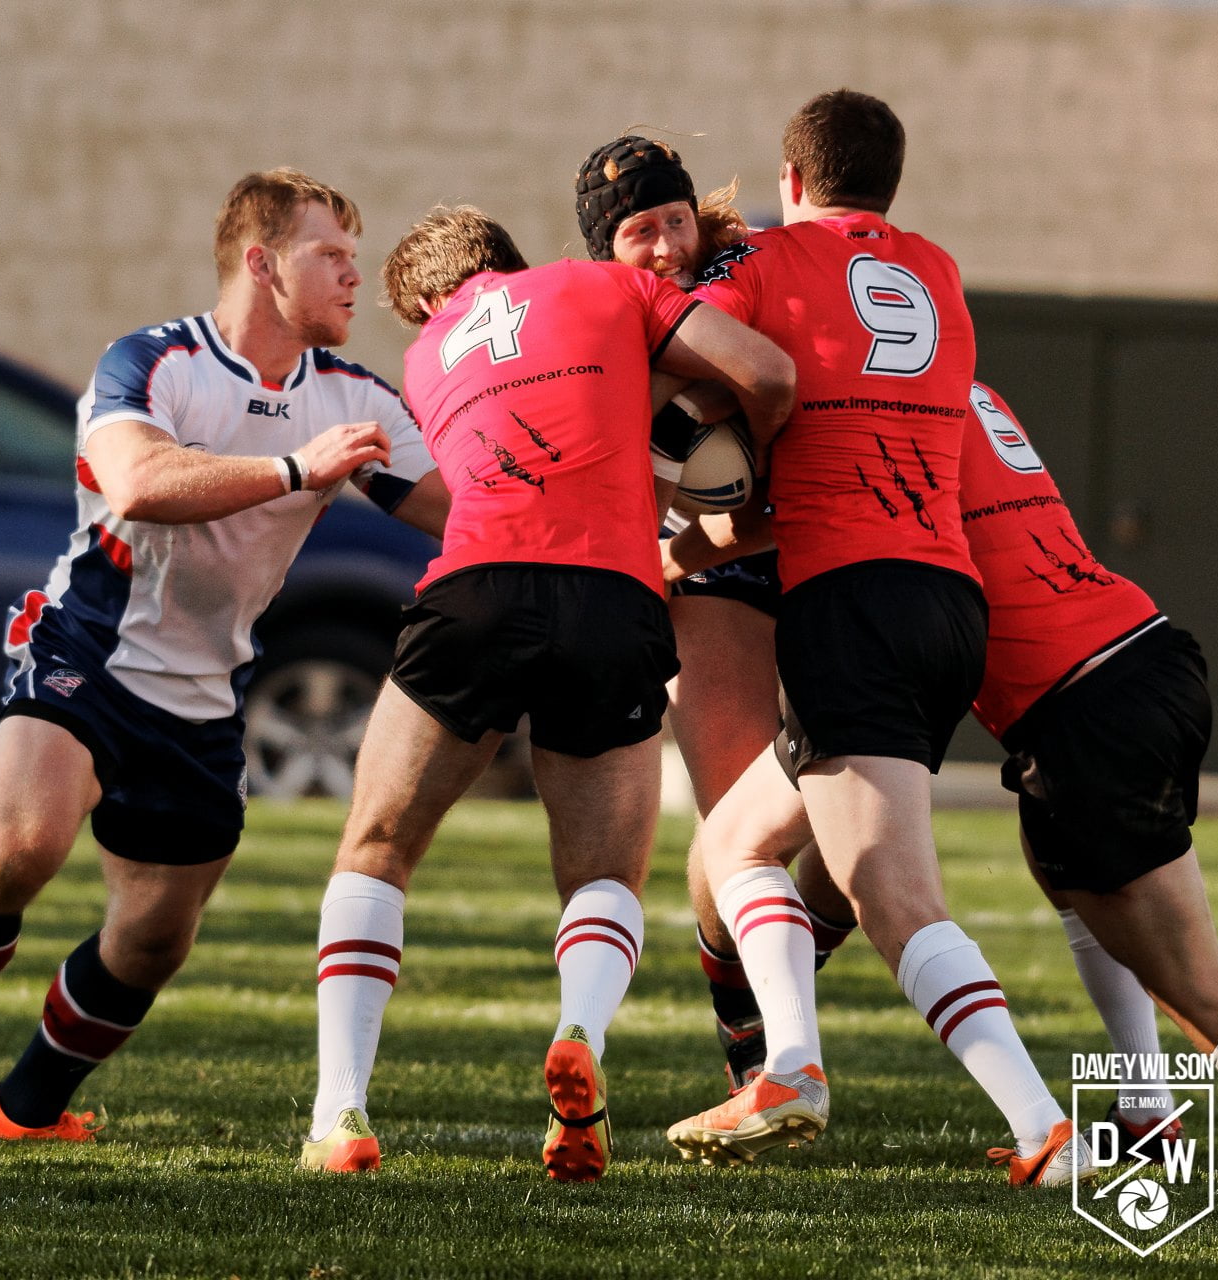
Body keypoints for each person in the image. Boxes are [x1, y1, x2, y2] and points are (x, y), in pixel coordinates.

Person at [668, 381, 1218, 1180]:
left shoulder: (859, 409)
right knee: (1053, 869)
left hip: (1079, 708)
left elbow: (784, 520)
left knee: (1198, 988)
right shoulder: (948, 384)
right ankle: (1145, 1112)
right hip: (1142, 653)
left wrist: (652, 545)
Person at [0, 168, 450, 1147]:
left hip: (207, 695)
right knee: (18, 851)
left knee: (156, 937)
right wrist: (297, 469)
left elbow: (464, 507)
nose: (354, 274)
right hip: (87, 648)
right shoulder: (155, 359)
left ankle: (25, 1106)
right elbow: (136, 480)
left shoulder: (349, 397)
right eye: (329, 252)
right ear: (261, 262)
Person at [298, 206, 794, 1183]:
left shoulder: (429, 357)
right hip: (615, 593)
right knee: (605, 874)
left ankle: (339, 1110)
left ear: (434, 300)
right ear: (509, 259)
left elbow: (467, 483)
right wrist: (739, 460)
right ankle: (579, 1038)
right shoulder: (607, 284)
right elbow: (768, 374)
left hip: (478, 586)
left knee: (377, 842)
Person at [658, 89, 1093, 1187]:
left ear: (791, 181)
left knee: (894, 898)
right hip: (945, 597)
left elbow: (689, 362)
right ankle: (791, 1060)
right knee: (736, 841)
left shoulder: (766, 264)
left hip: (852, 596)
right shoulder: (940, 274)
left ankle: (1047, 1130)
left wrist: (666, 449)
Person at [573, 136, 842, 1093]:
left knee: (848, 844)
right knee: (740, 826)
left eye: (673, 221)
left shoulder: (751, 264)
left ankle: (788, 979)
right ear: (607, 248)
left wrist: (734, 434)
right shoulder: (602, 318)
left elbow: (771, 379)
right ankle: (752, 1037)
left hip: (814, 552)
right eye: (639, 233)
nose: (662, 247)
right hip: (713, 577)